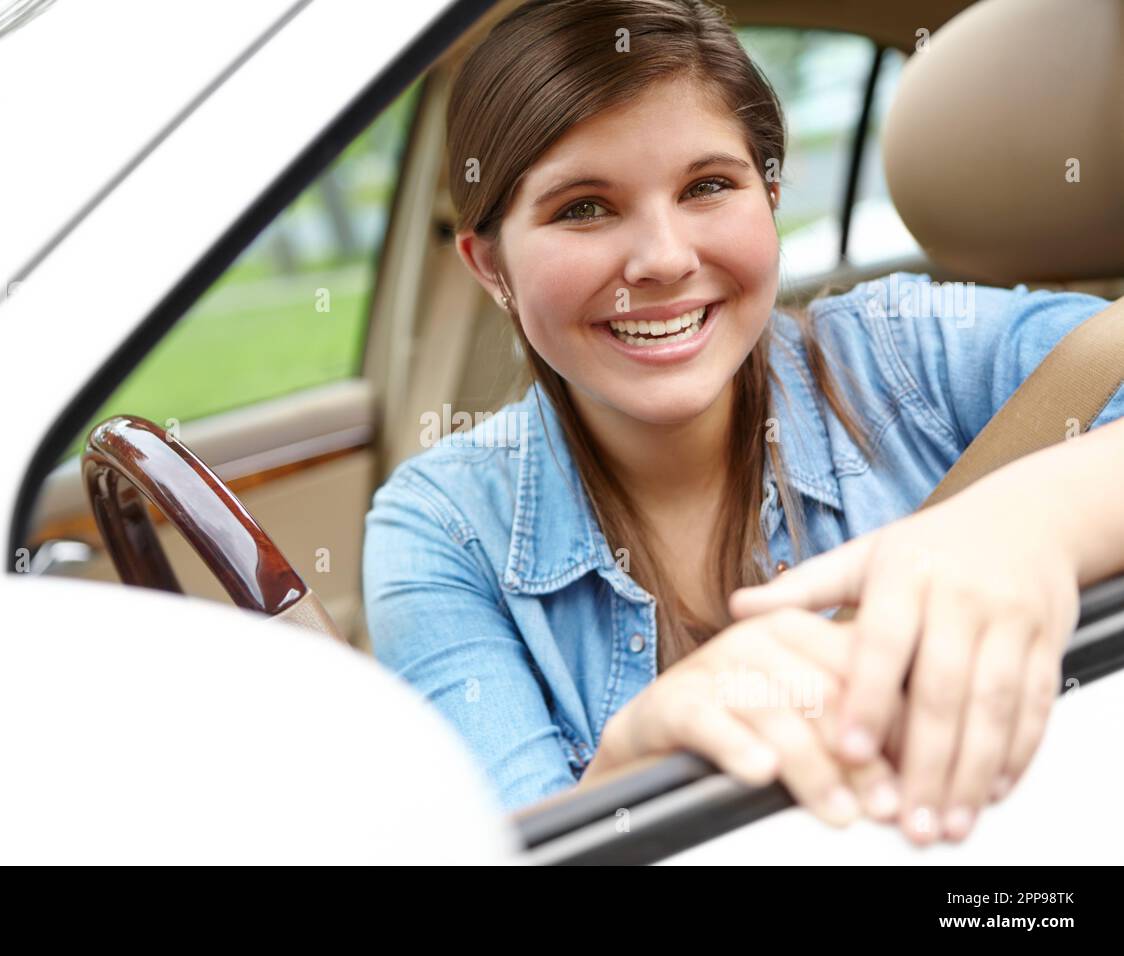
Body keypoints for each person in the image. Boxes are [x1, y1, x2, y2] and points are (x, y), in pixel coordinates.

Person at [362, 0, 1124, 845]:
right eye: (583, 207)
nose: (664, 259)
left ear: (768, 199)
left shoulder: (909, 351)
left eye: (708, 186)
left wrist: (1027, 525)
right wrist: (631, 757)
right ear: (491, 265)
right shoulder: (439, 528)